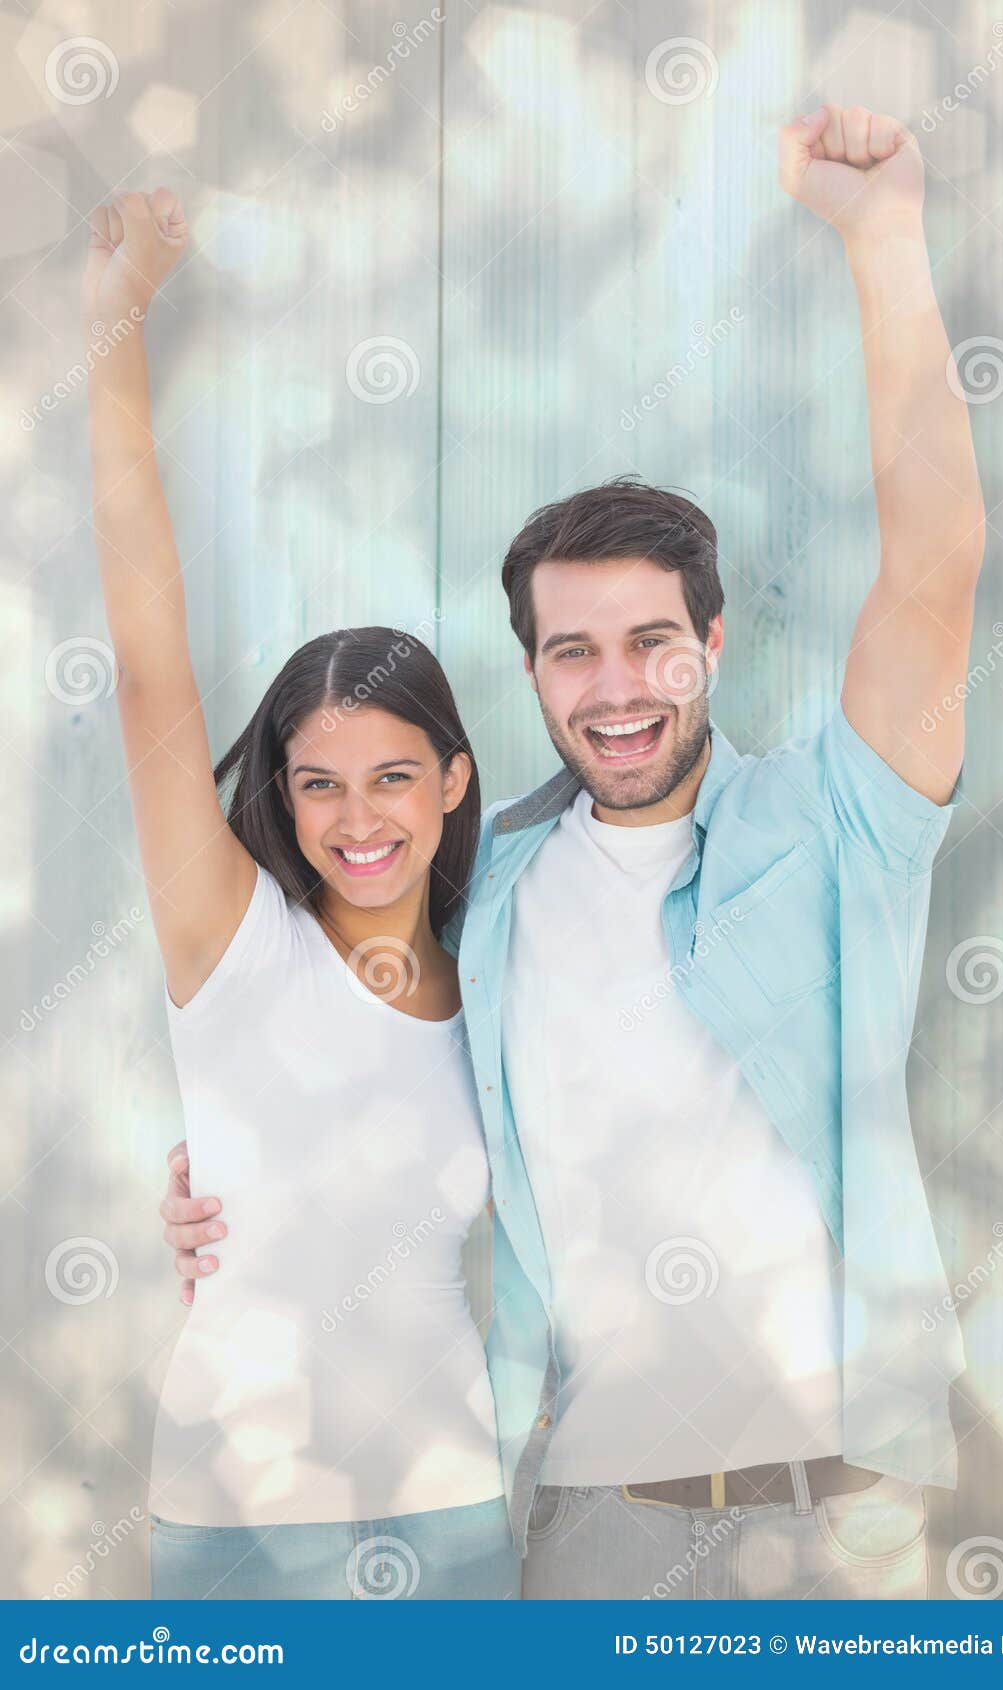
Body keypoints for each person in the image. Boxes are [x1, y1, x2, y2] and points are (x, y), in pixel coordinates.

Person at [161, 102, 983, 1600]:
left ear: (713, 645)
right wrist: (227, 1182)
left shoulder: (840, 822)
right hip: (587, 1522)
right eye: (573, 651)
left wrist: (883, 241)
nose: (617, 687)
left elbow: (932, 570)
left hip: (841, 1520)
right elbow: (353, 1067)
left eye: (653, 641)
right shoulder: (484, 895)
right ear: (533, 673)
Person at [86, 188, 518, 1600]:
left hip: (450, 1514)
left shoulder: (504, 970)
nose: (356, 818)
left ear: (453, 781)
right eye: (318, 783)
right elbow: (148, 667)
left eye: (392, 777)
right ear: (281, 793)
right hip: (234, 1521)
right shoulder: (235, 945)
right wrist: (117, 316)